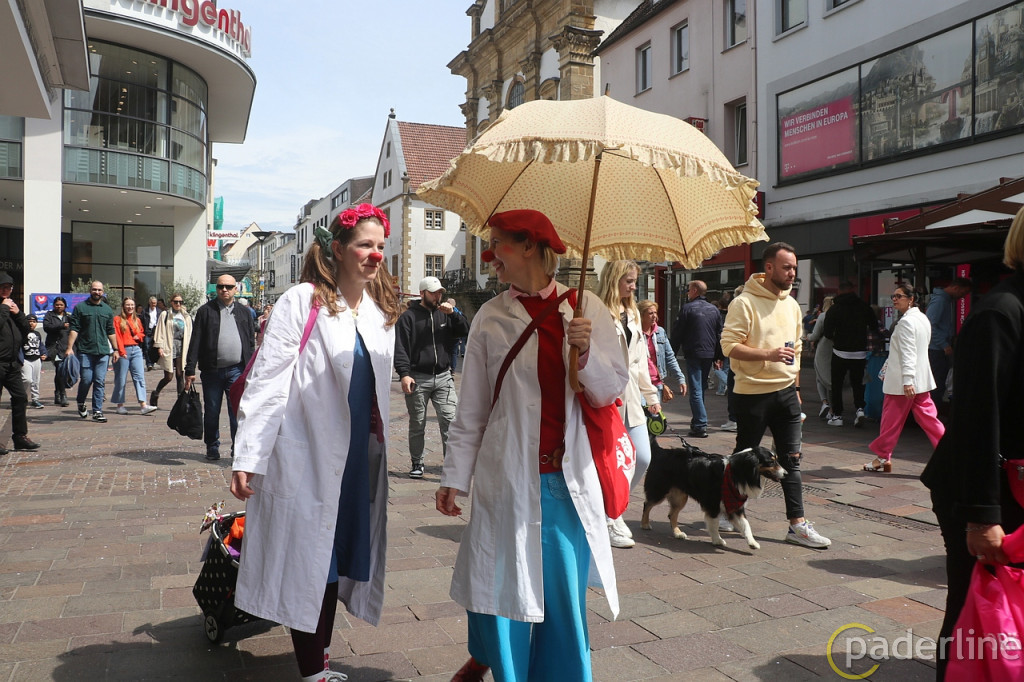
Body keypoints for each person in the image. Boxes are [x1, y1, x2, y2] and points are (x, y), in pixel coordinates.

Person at [436, 209, 627, 682]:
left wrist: (586, 352)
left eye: (497, 243)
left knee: (562, 601)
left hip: (564, 483)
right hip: (505, 477)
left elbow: (610, 391)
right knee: (502, 592)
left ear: (528, 246)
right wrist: (454, 477)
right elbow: (472, 408)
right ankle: (502, 669)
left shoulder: (586, 308)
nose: (490, 255)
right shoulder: (489, 316)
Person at [230, 202, 400, 682]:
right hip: (306, 454)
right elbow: (268, 381)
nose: (375, 255)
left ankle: (319, 662)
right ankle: (313, 671)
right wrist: (249, 454)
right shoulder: (301, 301)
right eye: (365, 245)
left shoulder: (376, 312)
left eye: (380, 246)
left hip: (356, 461)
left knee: (335, 559)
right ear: (339, 250)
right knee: (312, 564)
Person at [921, 208, 1024, 681]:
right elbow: (978, 419)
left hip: (1013, 482)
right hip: (985, 487)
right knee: (973, 606)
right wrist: (982, 517)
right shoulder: (1000, 312)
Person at [721, 243, 831, 549]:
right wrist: (768, 354)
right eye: (787, 267)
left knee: (791, 460)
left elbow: (796, 349)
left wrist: (796, 389)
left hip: (785, 394)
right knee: (743, 459)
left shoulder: (792, 304)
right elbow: (728, 346)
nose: (792, 273)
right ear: (769, 267)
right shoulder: (744, 303)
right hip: (752, 394)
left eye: (794, 267)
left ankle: (797, 525)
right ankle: (729, 509)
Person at [596, 260, 661, 549]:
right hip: (605, 397)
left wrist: (652, 397)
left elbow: (640, 362)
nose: (634, 287)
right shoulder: (596, 311)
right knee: (608, 462)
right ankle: (608, 517)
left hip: (632, 397)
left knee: (642, 457)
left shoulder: (633, 313)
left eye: (635, 281)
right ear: (614, 280)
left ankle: (614, 509)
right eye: (629, 281)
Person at [393, 276, 469, 478]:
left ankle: (451, 465)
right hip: (418, 377)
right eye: (434, 293)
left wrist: (454, 314)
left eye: (440, 293)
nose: (438, 296)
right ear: (422, 293)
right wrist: (404, 374)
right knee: (418, 423)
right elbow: (401, 348)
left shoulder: (446, 314)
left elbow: (464, 330)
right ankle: (417, 462)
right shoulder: (408, 318)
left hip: (443, 376)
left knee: (450, 421)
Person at [865, 285, 944, 473]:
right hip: (920, 380)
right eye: (893, 296)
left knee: (891, 422)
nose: (894, 299)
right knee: (930, 420)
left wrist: (908, 380)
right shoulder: (922, 318)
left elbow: (908, 353)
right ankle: (950, 450)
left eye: (899, 296)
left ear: (911, 299)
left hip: (903, 383)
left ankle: (883, 457)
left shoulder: (907, 322)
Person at [184, 275, 257, 461]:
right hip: (212, 371)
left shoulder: (244, 312)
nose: (224, 289)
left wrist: (251, 368)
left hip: (237, 371)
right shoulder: (205, 311)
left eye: (229, 287)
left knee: (236, 412)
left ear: (235, 289)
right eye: (221, 286)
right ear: (216, 289)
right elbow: (196, 341)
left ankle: (237, 449)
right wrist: (190, 369)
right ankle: (212, 446)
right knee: (212, 411)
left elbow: (250, 342)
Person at [671, 279, 723, 438]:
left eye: (688, 290)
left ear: (694, 290)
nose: (687, 293)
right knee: (700, 388)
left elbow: (678, 333)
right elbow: (719, 334)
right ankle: (698, 421)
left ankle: (700, 424)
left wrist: (671, 352)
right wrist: (718, 356)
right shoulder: (714, 310)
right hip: (708, 353)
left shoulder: (687, 308)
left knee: (695, 389)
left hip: (693, 352)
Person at [822, 282, 876, 428]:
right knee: (858, 383)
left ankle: (837, 415)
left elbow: (827, 333)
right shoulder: (864, 306)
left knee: (837, 384)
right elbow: (874, 325)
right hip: (859, 352)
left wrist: (837, 338)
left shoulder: (834, 309)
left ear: (839, 291)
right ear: (853, 290)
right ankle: (860, 409)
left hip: (840, 352)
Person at [66, 281, 118, 423]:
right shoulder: (80, 308)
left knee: (99, 381)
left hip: (103, 351)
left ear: (103, 292)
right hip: (85, 351)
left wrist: (116, 349)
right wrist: (69, 348)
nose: (97, 292)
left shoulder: (107, 310)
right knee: (87, 379)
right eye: (94, 289)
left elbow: (111, 331)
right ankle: (81, 401)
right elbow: (74, 329)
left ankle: (97, 411)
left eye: (99, 290)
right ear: (90, 290)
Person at [0, 271, 40, 452]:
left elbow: (26, 330)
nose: (6, 290)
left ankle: (20, 436)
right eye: (3, 287)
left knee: (20, 397)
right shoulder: (3, 307)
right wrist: (4, 308)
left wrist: (17, 314)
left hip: (12, 363)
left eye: (9, 287)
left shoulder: (11, 307)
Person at [925, 277, 972, 414]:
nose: (962, 297)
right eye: (962, 293)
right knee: (937, 384)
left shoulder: (945, 300)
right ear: (956, 288)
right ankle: (932, 416)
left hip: (938, 348)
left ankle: (933, 414)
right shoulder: (940, 300)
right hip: (937, 349)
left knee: (939, 383)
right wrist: (944, 344)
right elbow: (930, 324)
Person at [111, 298, 158, 416]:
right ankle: (120, 405)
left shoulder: (137, 320)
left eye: (132, 305)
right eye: (128, 305)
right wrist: (121, 351)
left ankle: (143, 405)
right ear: (123, 306)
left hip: (136, 349)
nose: (130, 307)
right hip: (123, 350)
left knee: (139, 377)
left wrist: (139, 336)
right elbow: (117, 337)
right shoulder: (117, 319)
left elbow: (142, 332)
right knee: (121, 379)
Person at [638, 299, 686, 404]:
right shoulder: (635, 333)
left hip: (657, 383)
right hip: (639, 383)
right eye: (650, 313)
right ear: (641, 315)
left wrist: (680, 378)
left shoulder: (660, 332)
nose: (654, 316)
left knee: (655, 413)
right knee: (642, 413)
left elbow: (670, 357)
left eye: (655, 312)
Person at [150, 294, 192, 407]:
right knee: (169, 376)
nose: (178, 304)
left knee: (180, 374)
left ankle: (180, 403)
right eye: (176, 302)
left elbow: (190, 333)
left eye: (180, 302)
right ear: (171, 302)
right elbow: (160, 330)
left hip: (181, 347)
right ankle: (156, 393)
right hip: (168, 345)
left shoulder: (186, 316)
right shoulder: (165, 314)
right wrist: (159, 346)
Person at [805, 295, 835, 419]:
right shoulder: (839, 315)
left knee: (820, 376)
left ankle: (824, 402)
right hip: (837, 347)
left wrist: (807, 337)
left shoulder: (822, 316)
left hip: (823, 348)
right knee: (833, 378)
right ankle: (833, 409)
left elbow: (815, 335)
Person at [43, 296, 71, 406]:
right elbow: (47, 327)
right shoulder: (49, 315)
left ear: (65, 306)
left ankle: (57, 393)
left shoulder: (68, 317)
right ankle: (63, 394)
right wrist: (61, 325)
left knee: (62, 371)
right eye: (57, 305)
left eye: (61, 305)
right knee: (60, 369)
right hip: (54, 347)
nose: (59, 307)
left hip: (65, 347)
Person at [20, 315, 46, 410]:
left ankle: (35, 399)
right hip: (26, 360)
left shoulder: (37, 333)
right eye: (29, 321)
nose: (31, 323)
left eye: (34, 321)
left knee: (36, 381)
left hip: (36, 360)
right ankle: (20, 397)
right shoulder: (22, 333)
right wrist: (19, 359)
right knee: (26, 379)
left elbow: (40, 345)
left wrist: (44, 353)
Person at [141, 295, 160, 370]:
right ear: (149, 303)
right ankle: (149, 363)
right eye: (152, 303)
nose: (153, 304)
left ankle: (152, 362)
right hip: (147, 330)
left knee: (154, 347)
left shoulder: (159, 311)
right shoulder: (145, 311)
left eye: (155, 303)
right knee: (146, 347)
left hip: (156, 331)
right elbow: (141, 321)